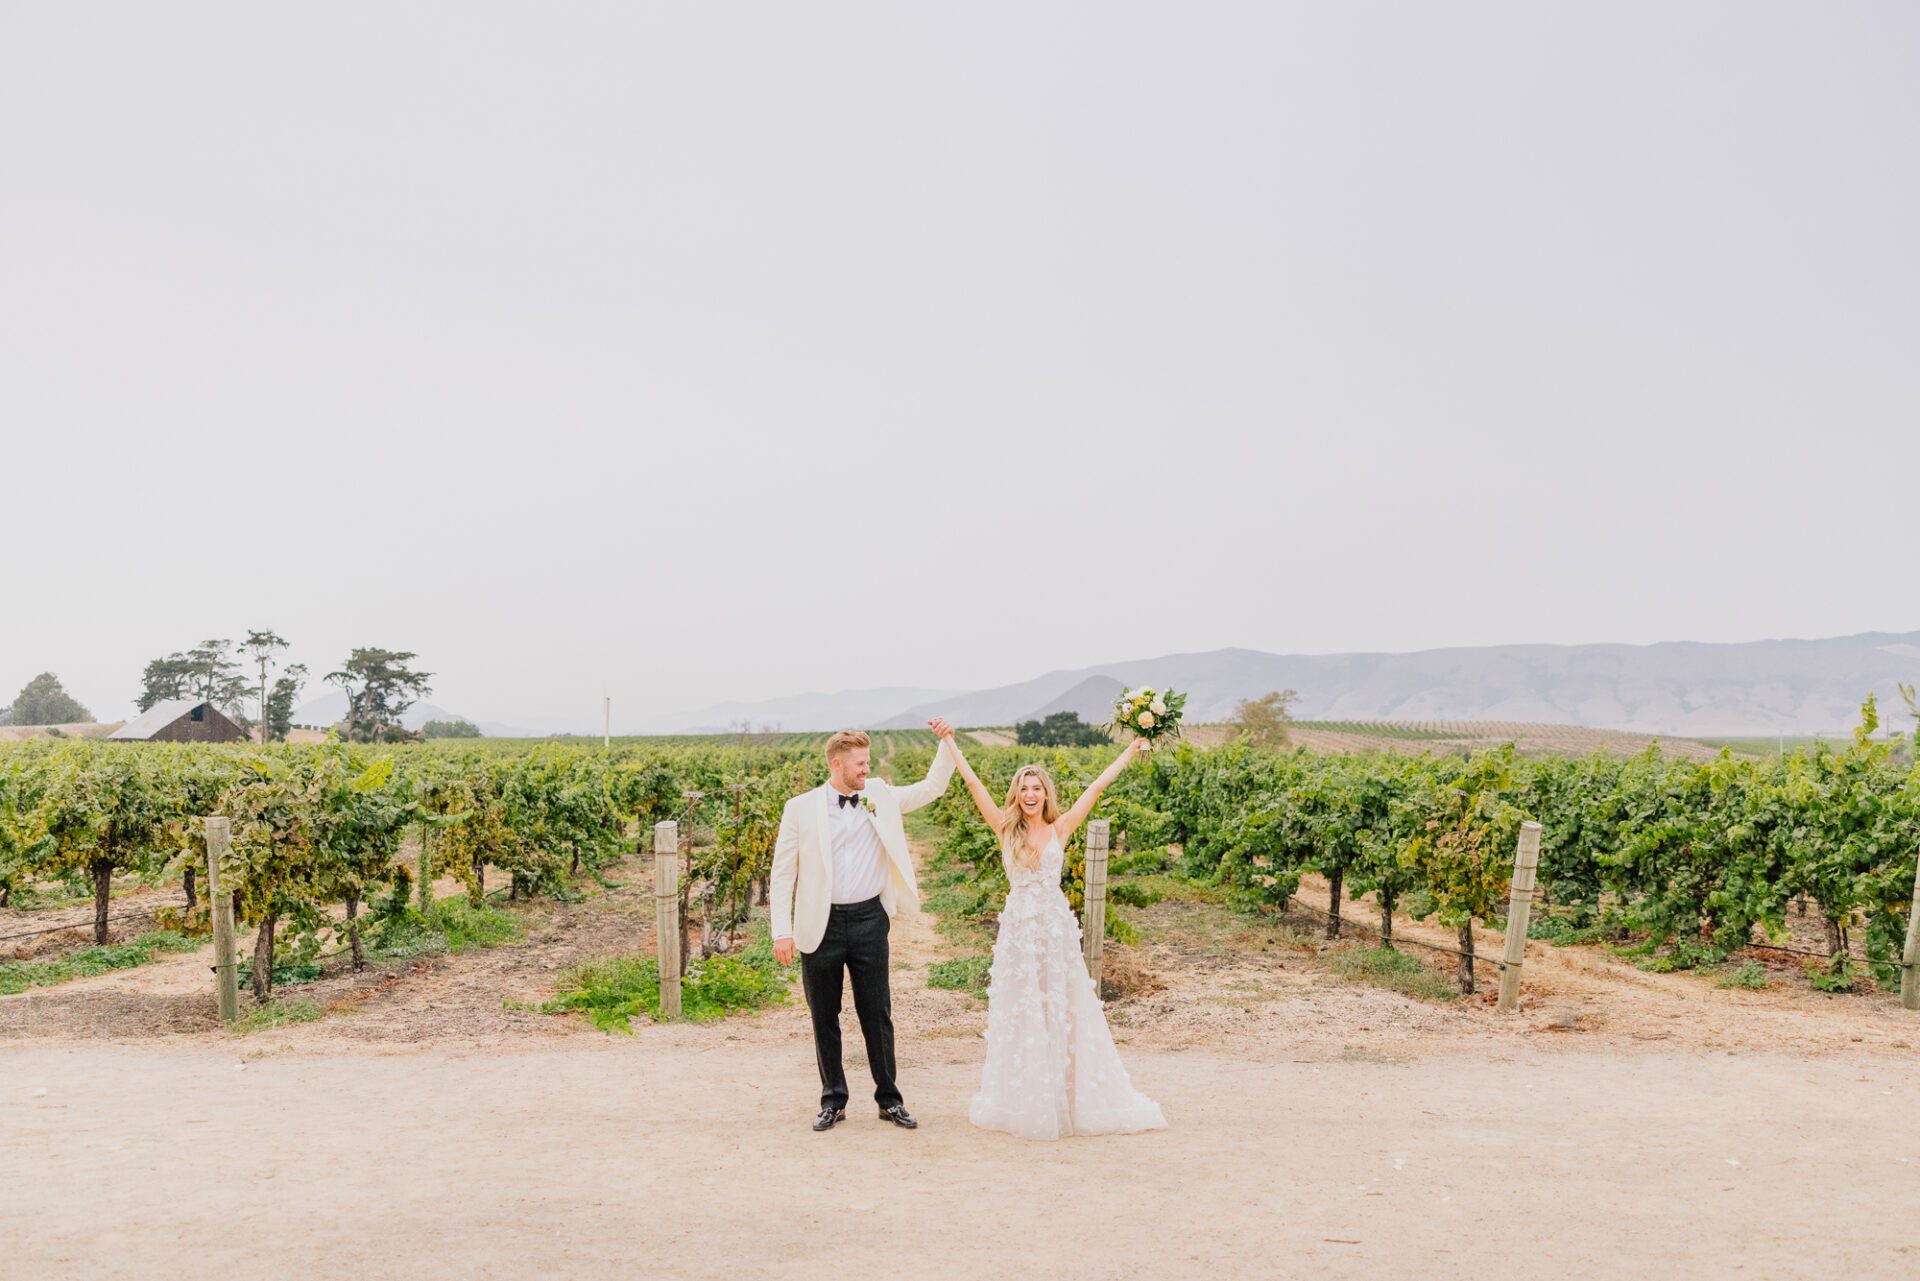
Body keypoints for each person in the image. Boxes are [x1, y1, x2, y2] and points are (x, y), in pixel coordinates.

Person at [944, 728, 1167, 1139]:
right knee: (1022, 1008)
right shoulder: (1004, 828)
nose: (1030, 794)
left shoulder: (1060, 828)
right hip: (1018, 932)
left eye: (1037, 788)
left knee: (1061, 1007)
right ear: (1016, 795)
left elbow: (1097, 787)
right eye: (1023, 788)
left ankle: (1065, 1096)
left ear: (1046, 794)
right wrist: (950, 742)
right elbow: (973, 783)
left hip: (1055, 929)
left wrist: (1130, 748)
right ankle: (1028, 1100)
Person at [769, 720, 957, 1131]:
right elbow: (782, 873)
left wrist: (947, 743)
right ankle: (833, 1100)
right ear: (836, 764)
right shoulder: (800, 808)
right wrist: (781, 930)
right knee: (824, 1016)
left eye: (868, 762)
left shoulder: (879, 795)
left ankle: (889, 1100)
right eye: (860, 764)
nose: (867, 769)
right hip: (820, 924)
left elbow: (932, 788)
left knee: (877, 1013)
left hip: (871, 919)